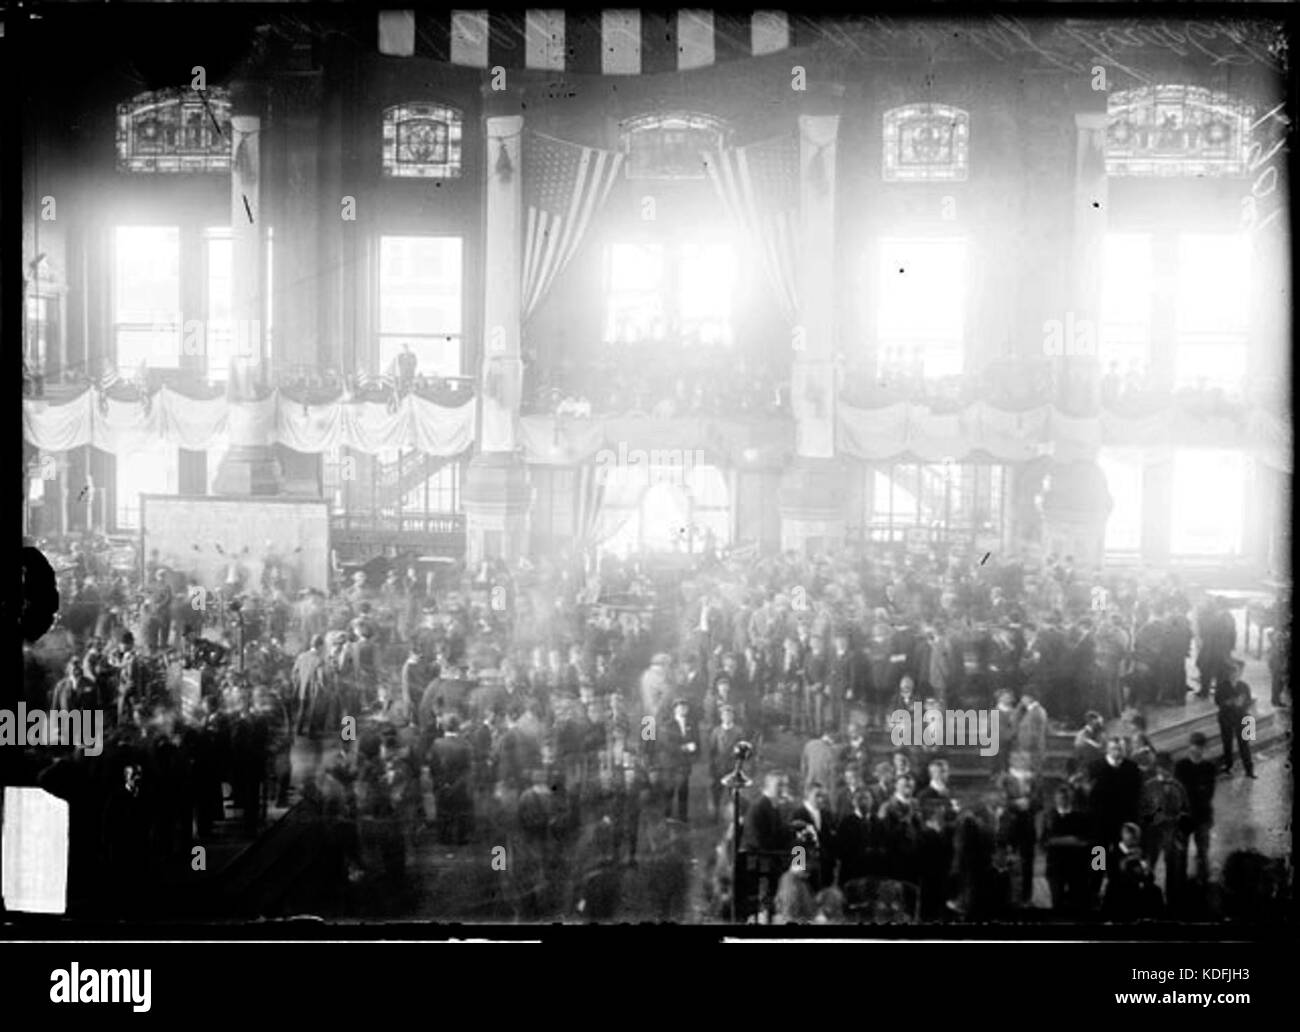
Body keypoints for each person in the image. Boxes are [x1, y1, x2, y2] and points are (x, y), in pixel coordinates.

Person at [1140, 752, 1189, 909]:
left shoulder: (1178, 786)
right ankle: (1148, 898)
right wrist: (1154, 818)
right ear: (1158, 768)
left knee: (1173, 868)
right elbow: (1142, 813)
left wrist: (1180, 826)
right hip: (1153, 833)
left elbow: (1186, 811)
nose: (1167, 771)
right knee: (1149, 866)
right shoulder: (1149, 787)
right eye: (1163, 768)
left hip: (1172, 833)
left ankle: (1172, 901)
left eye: (1169, 768)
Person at [1173, 732, 1217, 890]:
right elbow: (1177, 791)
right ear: (1189, 746)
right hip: (1184, 816)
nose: (1196, 749)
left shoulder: (1209, 767)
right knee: (1181, 854)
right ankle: (1181, 886)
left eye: (1199, 746)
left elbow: (1209, 793)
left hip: (1202, 815)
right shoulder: (1180, 766)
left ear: (1203, 748)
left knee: (1203, 852)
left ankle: (1203, 883)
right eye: (1193, 745)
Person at [658, 698, 698, 822]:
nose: (682, 709)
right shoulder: (667, 724)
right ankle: (667, 816)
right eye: (679, 707)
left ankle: (682, 817)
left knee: (683, 790)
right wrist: (685, 748)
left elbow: (697, 742)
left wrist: (694, 752)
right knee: (669, 789)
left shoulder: (691, 724)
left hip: (684, 763)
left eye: (685, 707)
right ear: (674, 709)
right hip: (670, 762)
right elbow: (666, 744)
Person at [1215, 659, 1256, 778]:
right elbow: (1218, 701)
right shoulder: (1222, 686)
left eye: (1236, 672)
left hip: (1242, 718)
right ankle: (1228, 766)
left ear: (1239, 673)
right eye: (1232, 672)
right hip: (1226, 717)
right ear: (1228, 673)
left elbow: (1249, 701)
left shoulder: (1244, 686)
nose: (1234, 674)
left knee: (1245, 744)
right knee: (1227, 743)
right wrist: (1231, 702)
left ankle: (1249, 770)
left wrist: (1243, 703)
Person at [706, 704, 743, 820]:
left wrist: (739, 765)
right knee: (716, 791)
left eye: (729, 715)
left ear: (733, 717)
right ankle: (714, 815)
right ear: (721, 717)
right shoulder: (716, 731)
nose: (727, 717)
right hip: (719, 766)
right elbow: (711, 750)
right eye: (725, 715)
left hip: (733, 767)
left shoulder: (738, 731)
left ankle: (734, 816)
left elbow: (742, 750)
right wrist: (712, 766)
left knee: (733, 793)